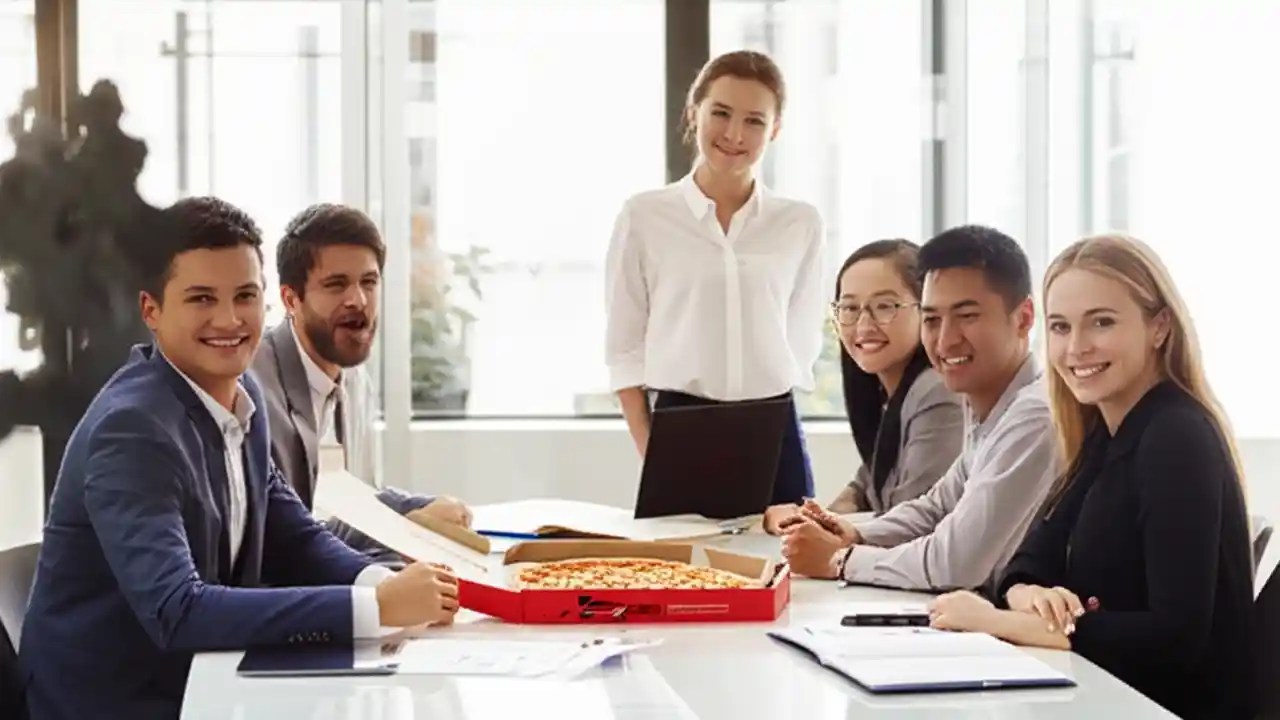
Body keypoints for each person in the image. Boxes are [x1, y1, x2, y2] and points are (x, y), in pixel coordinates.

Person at [19, 198, 458, 720]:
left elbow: (290, 534)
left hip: (210, 685)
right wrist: (376, 608)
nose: (229, 319)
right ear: (151, 310)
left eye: (245, 296)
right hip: (122, 704)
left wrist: (383, 585)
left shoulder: (238, 392)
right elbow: (178, 610)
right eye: (201, 298)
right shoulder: (132, 429)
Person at [927, 235, 1256, 719]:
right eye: (1060, 327)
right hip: (1103, 697)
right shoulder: (1107, 430)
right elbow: (1025, 562)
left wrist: (1004, 624)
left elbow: (1175, 636)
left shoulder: (1176, 437)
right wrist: (1029, 595)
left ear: (1159, 326)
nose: (1076, 348)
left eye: (1101, 322)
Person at [781, 225, 1056, 594]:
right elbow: (935, 507)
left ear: (1024, 318)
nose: (945, 339)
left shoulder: (1033, 416)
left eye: (967, 316)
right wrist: (854, 532)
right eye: (932, 320)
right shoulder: (988, 406)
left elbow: (954, 563)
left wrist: (840, 559)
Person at [605, 50, 826, 506]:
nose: (734, 134)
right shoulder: (645, 216)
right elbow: (625, 351)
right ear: (694, 112)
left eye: (754, 121)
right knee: (685, 575)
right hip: (680, 429)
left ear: (776, 130)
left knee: (789, 573)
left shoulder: (800, 223)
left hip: (774, 430)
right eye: (721, 113)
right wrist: (654, 453)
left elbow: (802, 341)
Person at [251, 203, 470, 565]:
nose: (359, 300)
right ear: (291, 299)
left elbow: (356, 503)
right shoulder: (255, 387)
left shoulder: (354, 377)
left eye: (369, 282)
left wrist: (419, 507)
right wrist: (404, 524)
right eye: (336, 285)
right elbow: (284, 543)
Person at [763, 240, 963, 532]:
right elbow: (862, 489)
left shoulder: (938, 393)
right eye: (850, 307)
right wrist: (806, 518)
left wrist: (816, 528)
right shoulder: (889, 395)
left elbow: (914, 523)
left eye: (885, 306)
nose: (864, 324)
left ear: (926, 310)